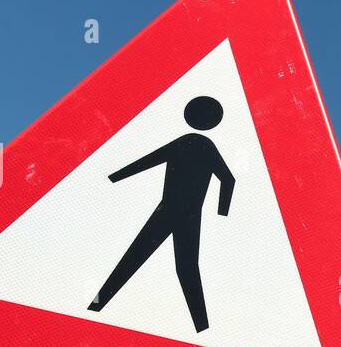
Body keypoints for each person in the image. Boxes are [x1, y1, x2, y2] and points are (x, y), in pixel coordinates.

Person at [88, 96, 236, 332]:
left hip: (169, 210)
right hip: (188, 215)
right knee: (185, 267)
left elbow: (146, 162)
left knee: (132, 260)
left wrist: (114, 178)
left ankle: (94, 308)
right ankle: (203, 329)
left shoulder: (187, 142)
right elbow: (228, 180)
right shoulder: (204, 146)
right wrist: (222, 213)